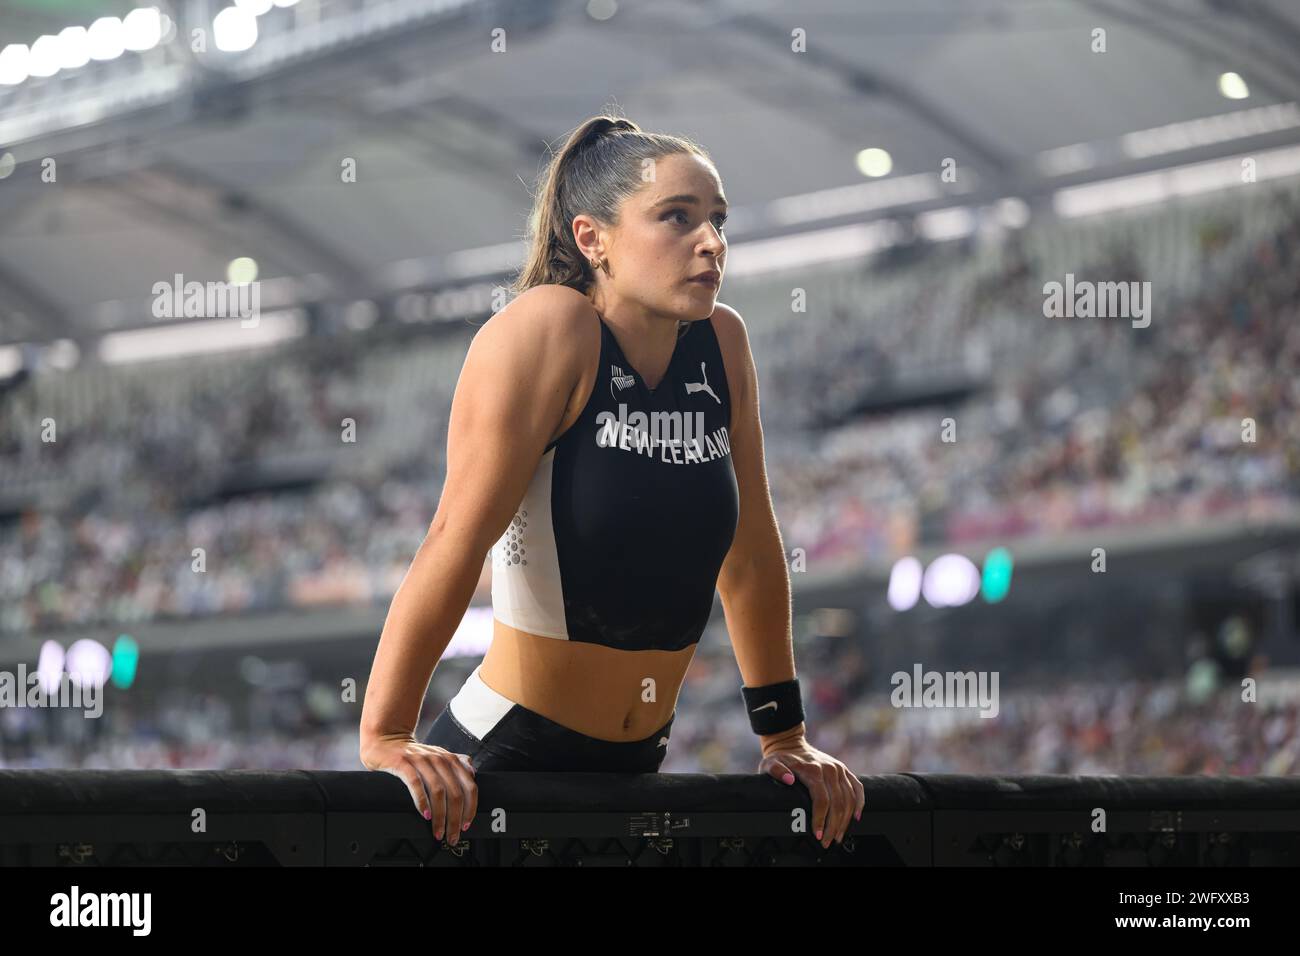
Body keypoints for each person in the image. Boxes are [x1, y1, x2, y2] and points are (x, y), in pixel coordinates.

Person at [359, 114, 865, 849]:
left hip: (637, 768)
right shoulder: (550, 329)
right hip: (501, 759)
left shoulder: (723, 343)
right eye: (677, 218)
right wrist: (386, 734)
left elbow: (752, 555)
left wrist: (785, 736)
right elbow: (454, 538)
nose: (711, 242)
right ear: (592, 239)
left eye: (718, 221)